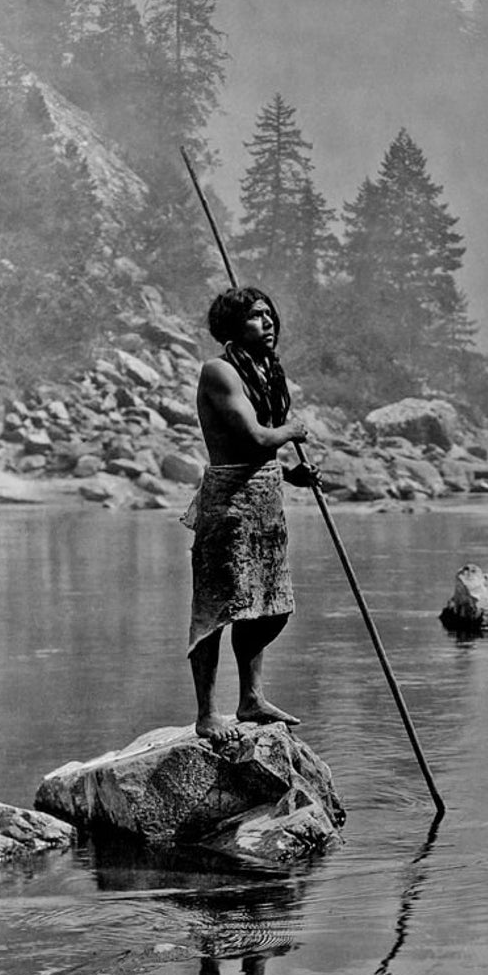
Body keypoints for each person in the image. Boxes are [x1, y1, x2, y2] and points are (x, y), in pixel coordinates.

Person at [183, 286, 317, 741]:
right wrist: (291, 430)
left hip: (265, 500)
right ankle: (206, 714)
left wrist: (294, 476)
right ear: (232, 328)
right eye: (256, 317)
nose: (268, 324)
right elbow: (254, 438)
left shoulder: (266, 371)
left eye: (270, 315)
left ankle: (251, 699)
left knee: (267, 608)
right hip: (229, 505)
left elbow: (264, 452)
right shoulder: (219, 371)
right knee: (219, 608)